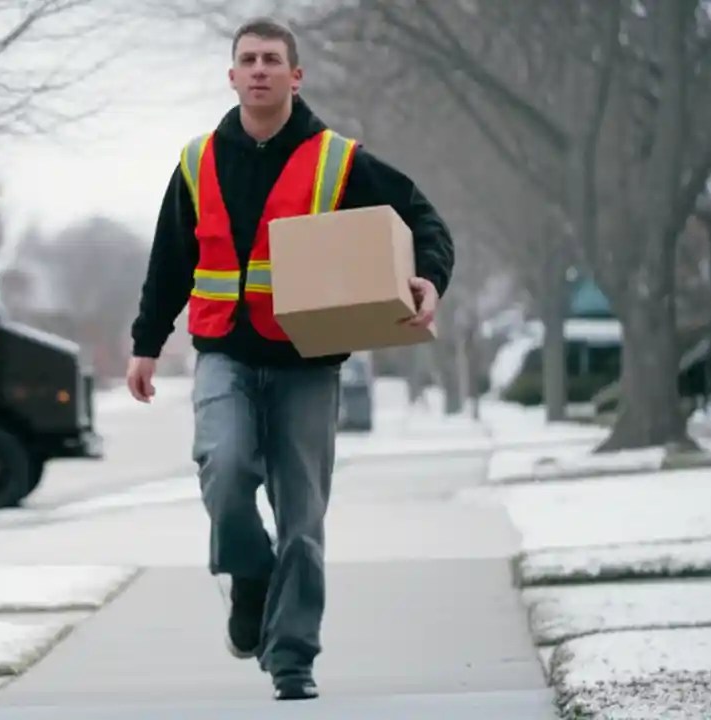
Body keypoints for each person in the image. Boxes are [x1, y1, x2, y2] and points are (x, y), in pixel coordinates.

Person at [125, 17, 455, 701]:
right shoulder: (197, 162)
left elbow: (423, 221)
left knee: (301, 520)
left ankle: (292, 658)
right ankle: (249, 575)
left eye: (272, 60)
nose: (259, 70)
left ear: (295, 76)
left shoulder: (338, 159)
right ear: (233, 75)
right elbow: (169, 263)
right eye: (247, 60)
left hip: (307, 362)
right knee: (223, 469)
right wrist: (145, 344)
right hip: (223, 355)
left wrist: (428, 276)